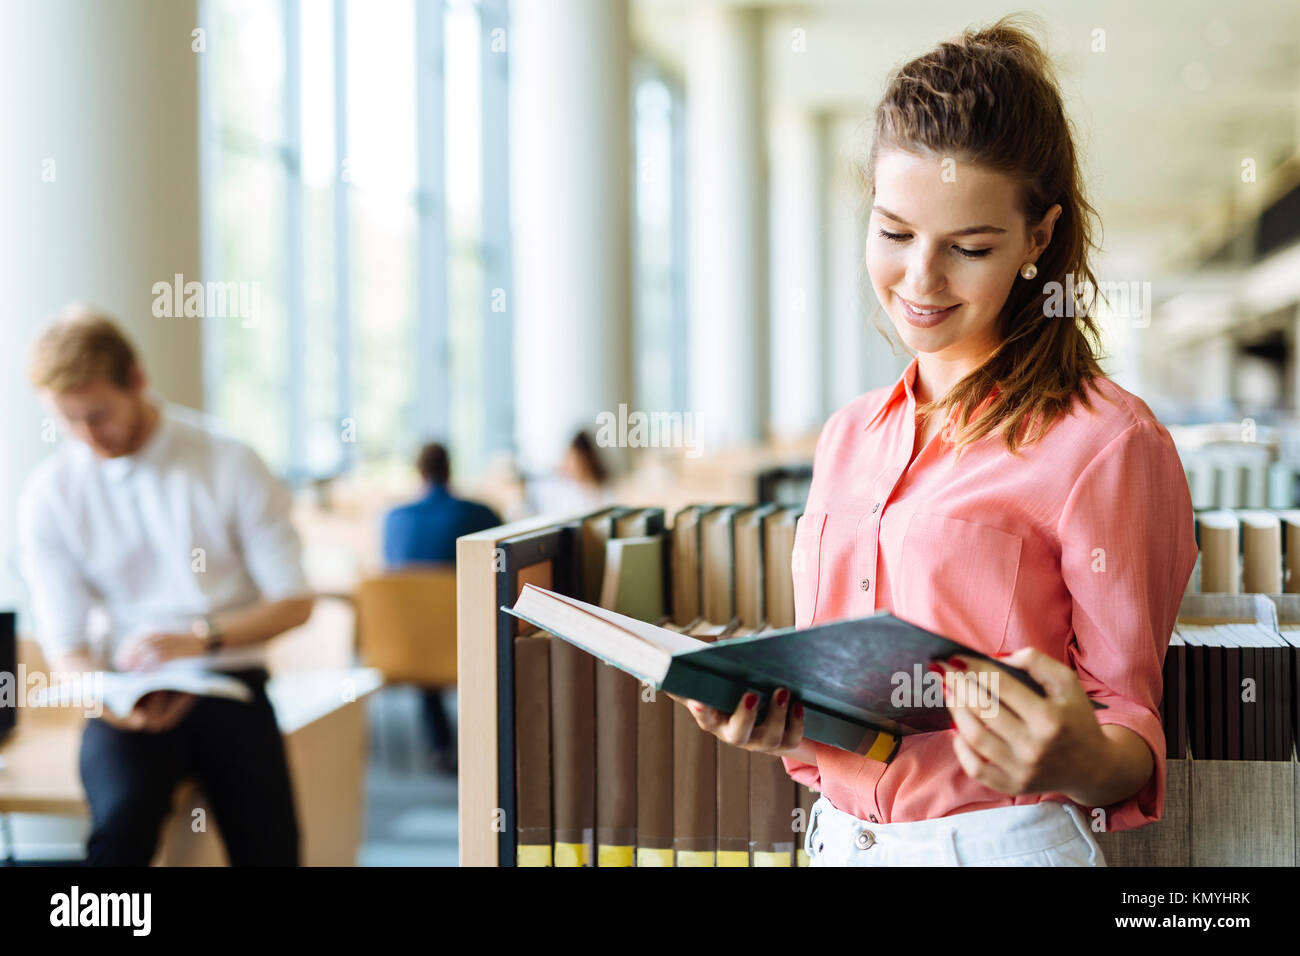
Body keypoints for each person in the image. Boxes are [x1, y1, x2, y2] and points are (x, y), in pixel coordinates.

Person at [681, 17, 1197, 867]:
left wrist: (1079, 758)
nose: (920, 281)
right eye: (893, 233)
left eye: (969, 247)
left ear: (1038, 238)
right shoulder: (849, 436)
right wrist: (779, 719)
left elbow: (1127, 721)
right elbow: (852, 686)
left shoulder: (1107, 443)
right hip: (837, 844)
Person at [19, 306, 315, 866]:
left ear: (136, 379)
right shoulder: (51, 493)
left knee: (271, 843)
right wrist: (107, 704)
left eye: (99, 415)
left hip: (229, 679)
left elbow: (295, 601)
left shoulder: (228, 460)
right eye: (69, 421)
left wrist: (202, 638)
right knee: (120, 827)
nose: (87, 436)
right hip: (123, 691)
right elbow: (67, 646)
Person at [382, 442, 502, 773]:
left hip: (412, 646)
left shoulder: (394, 518)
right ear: (450, 469)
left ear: (419, 472)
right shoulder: (481, 514)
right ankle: (481, 741)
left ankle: (440, 746)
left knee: (424, 628)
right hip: (468, 637)